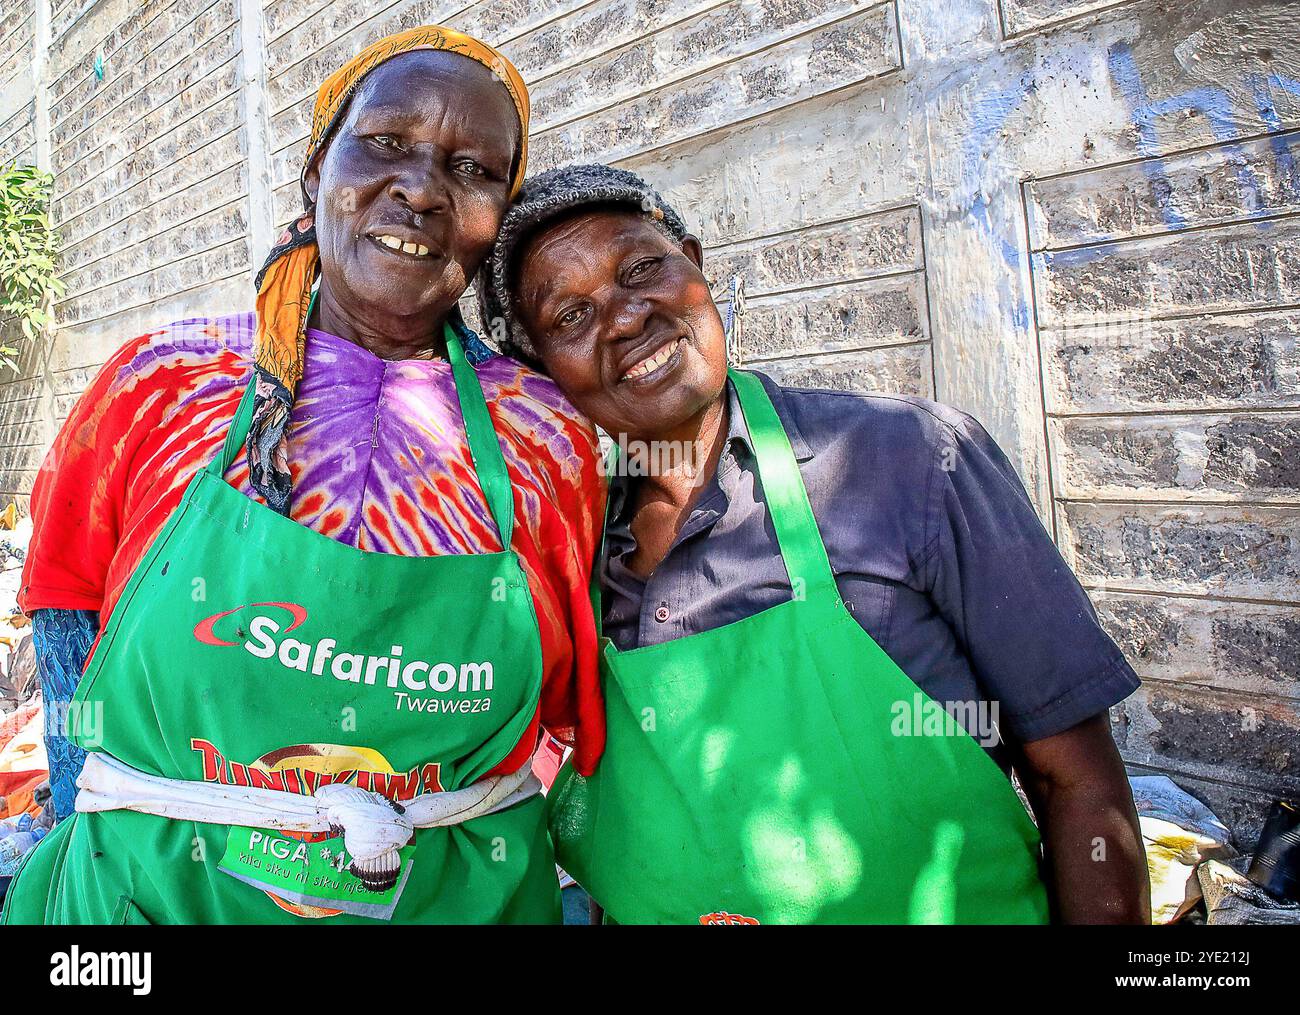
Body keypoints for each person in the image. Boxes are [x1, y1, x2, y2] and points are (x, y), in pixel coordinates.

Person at [2, 27, 606, 925]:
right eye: (387, 144)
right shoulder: (164, 382)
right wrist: (87, 807)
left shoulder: (547, 439)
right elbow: (64, 607)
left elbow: (572, 709)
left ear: (495, 220)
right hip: (155, 898)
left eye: (472, 169)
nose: (421, 188)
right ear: (315, 168)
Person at [478, 163, 1151, 925]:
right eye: (570, 316)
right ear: (539, 368)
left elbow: (1080, 781)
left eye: (643, 269)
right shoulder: (566, 550)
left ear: (695, 265)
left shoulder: (913, 459)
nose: (626, 318)